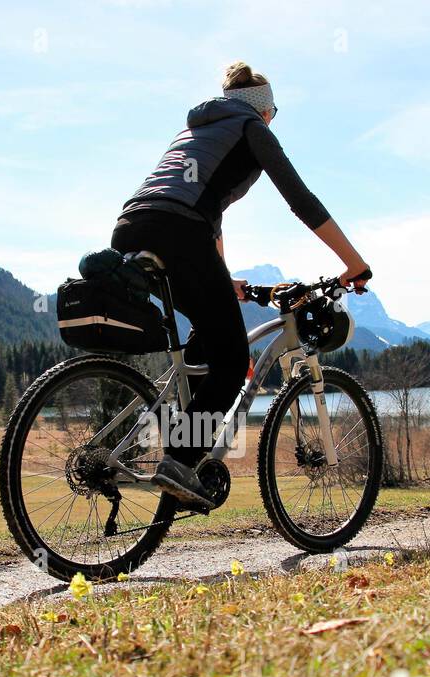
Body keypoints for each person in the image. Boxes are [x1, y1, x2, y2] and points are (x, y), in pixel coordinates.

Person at [111, 61, 371, 507]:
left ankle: (173, 437)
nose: (273, 118)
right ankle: (178, 460)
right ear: (264, 108)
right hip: (179, 232)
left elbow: (205, 207)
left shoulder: (197, 129)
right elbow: (300, 199)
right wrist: (354, 262)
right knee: (233, 361)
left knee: (206, 342)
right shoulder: (252, 127)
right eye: (274, 111)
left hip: (133, 227)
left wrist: (222, 276)